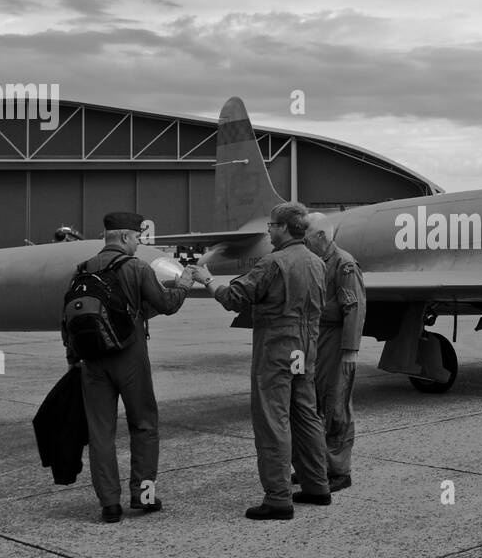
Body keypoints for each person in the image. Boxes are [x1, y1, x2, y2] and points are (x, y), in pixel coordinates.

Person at [190, 202, 329, 520]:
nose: (268, 229)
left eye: (271, 225)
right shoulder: (318, 262)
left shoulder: (272, 263)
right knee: (305, 415)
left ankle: (279, 498)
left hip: (277, 350)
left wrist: (207, 278)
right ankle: (317, 485)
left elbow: (234, 298)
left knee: (273, 420)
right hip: (306, 349)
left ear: (282, 228)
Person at [69, 212, 195, 523]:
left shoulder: (82, 270)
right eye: (137, 237)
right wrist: (184, 285)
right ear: (125, 238)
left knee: (101, 433)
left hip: (92, 360)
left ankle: (109, 504)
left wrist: (74, 359)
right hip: (130, 356)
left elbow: (68, 317)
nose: (139, 243)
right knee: (144, 425)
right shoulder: (136, 267)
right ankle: (144, 495)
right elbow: (167, 305)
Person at [303, 213, 366, 492]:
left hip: (338, 340)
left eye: (306, 236)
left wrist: (350, 350)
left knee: (336, 405)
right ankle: (318, 467)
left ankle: (340, 471)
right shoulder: (317, 260)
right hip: (319, 339)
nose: (303, 241)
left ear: (321, 237)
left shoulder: (344, 263)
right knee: (314, 403)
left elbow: (354, 307)